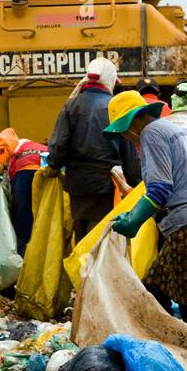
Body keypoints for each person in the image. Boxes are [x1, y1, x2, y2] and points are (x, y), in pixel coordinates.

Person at [104, 89, 187, 343]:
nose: (125, 136)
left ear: (134, 120)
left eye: (123, 129)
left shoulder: (152, 133)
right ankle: (170, 344)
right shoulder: (166, 129)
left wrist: (133, 221)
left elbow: (160, 188)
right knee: (156, 288)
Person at [47, 56, 141, 240]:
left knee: (82, 241)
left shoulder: (71, 105)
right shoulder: (116, 107)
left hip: (78, 188)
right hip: (108, 188)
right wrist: (138, 187)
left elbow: (58, 148)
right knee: (104, 240)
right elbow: (130, 155)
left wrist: (53, 167)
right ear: (111, 81)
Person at [0, 130, 49, 251]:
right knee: (44, 213)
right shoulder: (38, 146)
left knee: (23, 216)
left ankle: (23, 253)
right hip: (46, 172)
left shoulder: (7, 142)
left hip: (24, 173)